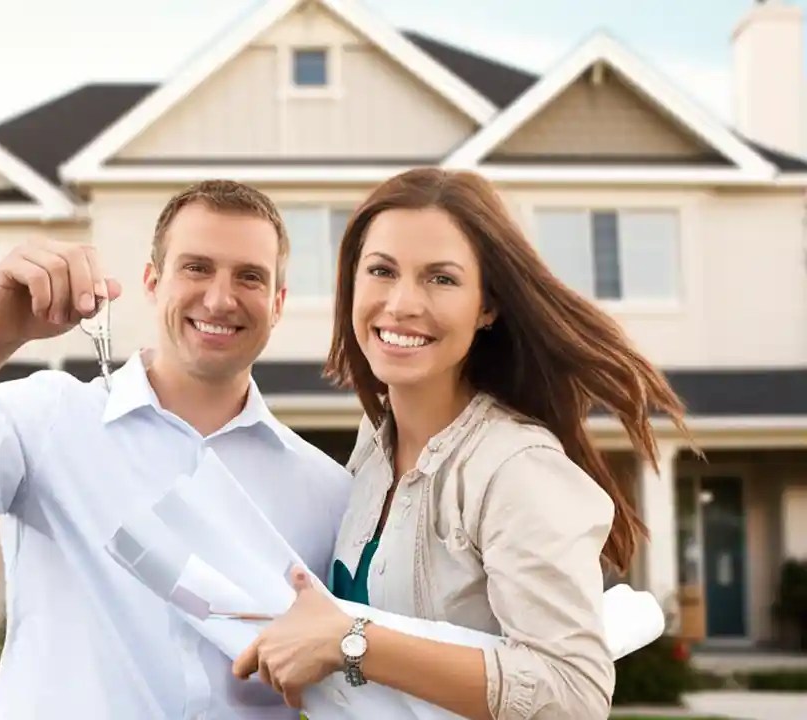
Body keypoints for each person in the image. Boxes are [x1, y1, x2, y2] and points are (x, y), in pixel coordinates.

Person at [0, 179, 351, 718]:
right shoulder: (47, 418)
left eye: (250, 276)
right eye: (196, 267)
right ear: (153, 281)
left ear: (279, 303)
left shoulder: (325, 491)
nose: (221, 298)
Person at [232, 168, 693, 720]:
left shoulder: (516, 468)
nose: (401, 303)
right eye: (381, 271)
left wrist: (352, 643)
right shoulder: (372, 453)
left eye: (441, 279)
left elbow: (572, 693)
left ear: (487, 307)